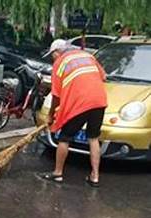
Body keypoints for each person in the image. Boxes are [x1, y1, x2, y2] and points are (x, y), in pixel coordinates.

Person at [39, 39, 107, 187]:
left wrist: (51, 114)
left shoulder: (60, 63)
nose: (52, 58)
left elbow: (56, 95)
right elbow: (104, 76)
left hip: (80, 104)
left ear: (57, 52)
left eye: (52, 55)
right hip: (99, 101)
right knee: (93, 138)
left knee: (64, 138)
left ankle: (57, 173)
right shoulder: (88, 55)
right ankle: (95, 176)